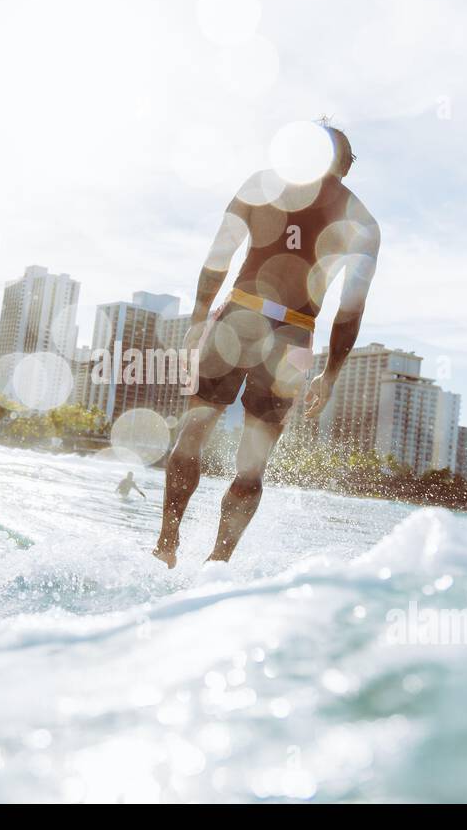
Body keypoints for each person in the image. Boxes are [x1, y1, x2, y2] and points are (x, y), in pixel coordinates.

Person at [153, 121, 380, 568]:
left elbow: (219, 257)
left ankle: (165, 545)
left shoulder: (262, 185)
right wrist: (329, 374)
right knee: (252, 465)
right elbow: (349, 312)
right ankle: (216, 566)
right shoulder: (361, 221)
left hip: (238, 316)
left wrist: (200, 319)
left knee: (193, 432)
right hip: (294, 337)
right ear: (347, 167)